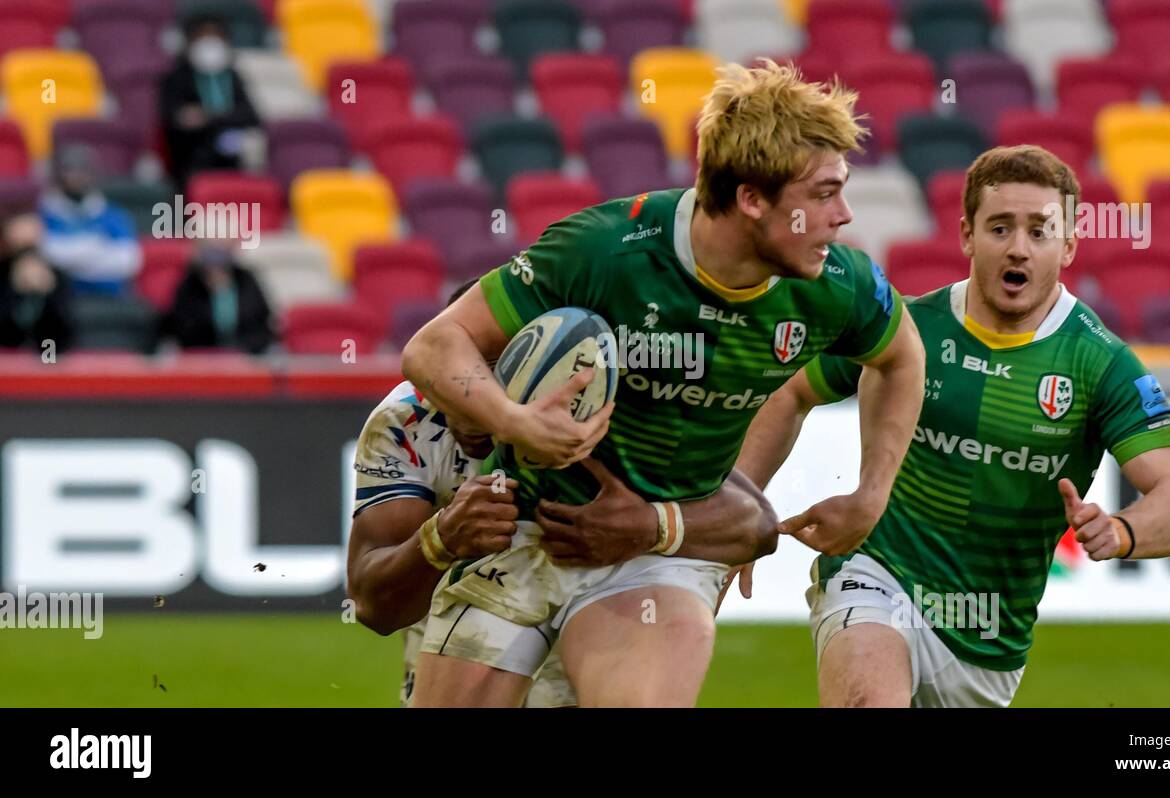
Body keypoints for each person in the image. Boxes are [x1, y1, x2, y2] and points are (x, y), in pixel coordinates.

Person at [399, 60, 926, 707]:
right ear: (753, 199)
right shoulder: (606, 249)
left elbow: (902, 356)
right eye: (821, 194)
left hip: (660, 558)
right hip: (527, 527)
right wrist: (519, 422)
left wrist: (871, 496)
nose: (843, 216)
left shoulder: (836, 284)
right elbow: (434, 346)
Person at [733, 144, 1170, 707]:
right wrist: (740, 504)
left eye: (1039, 231)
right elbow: (790, 389)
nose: (1018, 248)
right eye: (1000, 228)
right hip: (879, 574)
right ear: (966, 236)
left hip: (989, 642)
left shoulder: (1099, 363)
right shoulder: (909, 329)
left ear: (1069, 245)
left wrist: (1122, 531)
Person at [347, 284, 779, 707]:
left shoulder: (607, 408)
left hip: (582, 651)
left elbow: (757, 524)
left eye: (508, 379)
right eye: (468, 382)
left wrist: (650, 527)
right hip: (459, 650)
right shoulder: (406, 421)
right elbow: (372, 606)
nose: (484, 401)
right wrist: (440, 541)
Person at [160, 14, 261, 188]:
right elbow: (173, 118)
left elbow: (251, 115)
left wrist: (209, 117)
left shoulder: (231, 76)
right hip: (191, 159)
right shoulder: (177, 78)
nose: (210, 43)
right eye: (203, 37)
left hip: (231, 157)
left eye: (215, 37)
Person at [38, 145, 141, 296]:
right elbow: (49, 253)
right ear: (57, 175)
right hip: (64, 299)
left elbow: (129, 261)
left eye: (83, 169)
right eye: (70, 169)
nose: (77, 176)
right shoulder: (44, 213)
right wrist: (95, 247)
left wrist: (74, 259)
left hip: (113, 297)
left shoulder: (113, 214)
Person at [161, 239, 274, 353]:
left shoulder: (247, 280)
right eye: (210, 246)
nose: (216, 252)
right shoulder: (189, 284)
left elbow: (261, 324)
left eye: (221, 246)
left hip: (246, 356)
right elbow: (180, 328)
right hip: (201, 358)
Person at [0, 212, 71, 352]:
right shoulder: (3, 275)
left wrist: (44, 296)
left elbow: (55, 348)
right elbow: (7, 338)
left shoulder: (56, 276)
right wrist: (17, 293)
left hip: (45, 365)